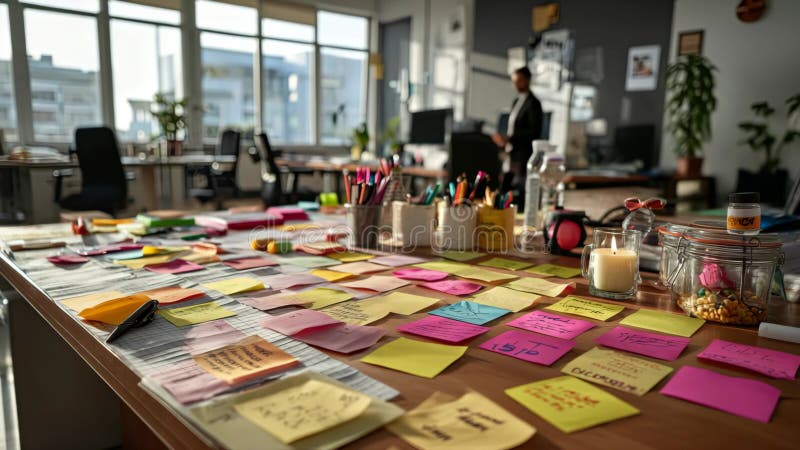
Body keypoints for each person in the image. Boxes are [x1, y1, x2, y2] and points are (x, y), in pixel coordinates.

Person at [492, 66, 544, 193]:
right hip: (512, 152)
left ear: (527, 80)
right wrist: (505, 140)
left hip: (523, 154)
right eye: (514, 81)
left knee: (517, 188)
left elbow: (534, 132)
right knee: (504, 187)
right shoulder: (516, 101)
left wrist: (510, 138)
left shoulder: (534, 103)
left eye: (519, 80)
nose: (516, 84)